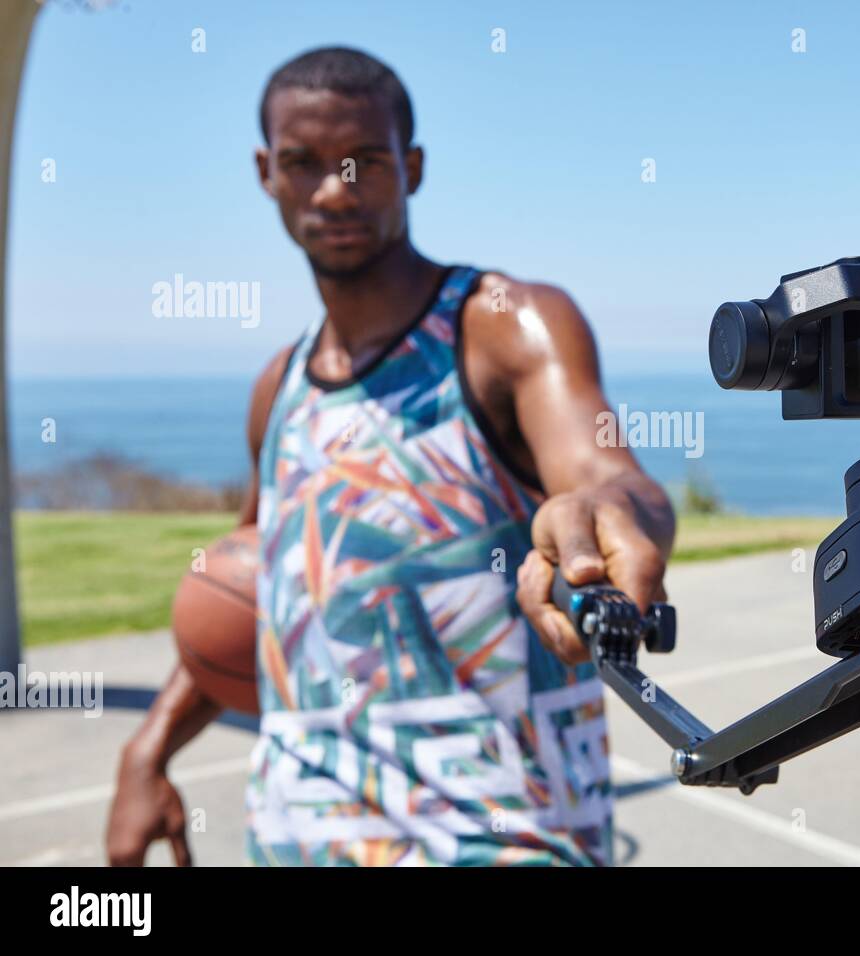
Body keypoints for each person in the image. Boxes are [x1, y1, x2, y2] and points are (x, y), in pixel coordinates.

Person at [105, 46, 674, 867]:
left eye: (363, 162)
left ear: (411, 167)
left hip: (505, 835)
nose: (335, 190)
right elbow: (255, 592)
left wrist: (608, 514)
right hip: (297, 837)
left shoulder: (505, 326)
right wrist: (148, 748)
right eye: (303, 163)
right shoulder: (281, 389)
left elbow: (607, 475)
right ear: (267, 173)